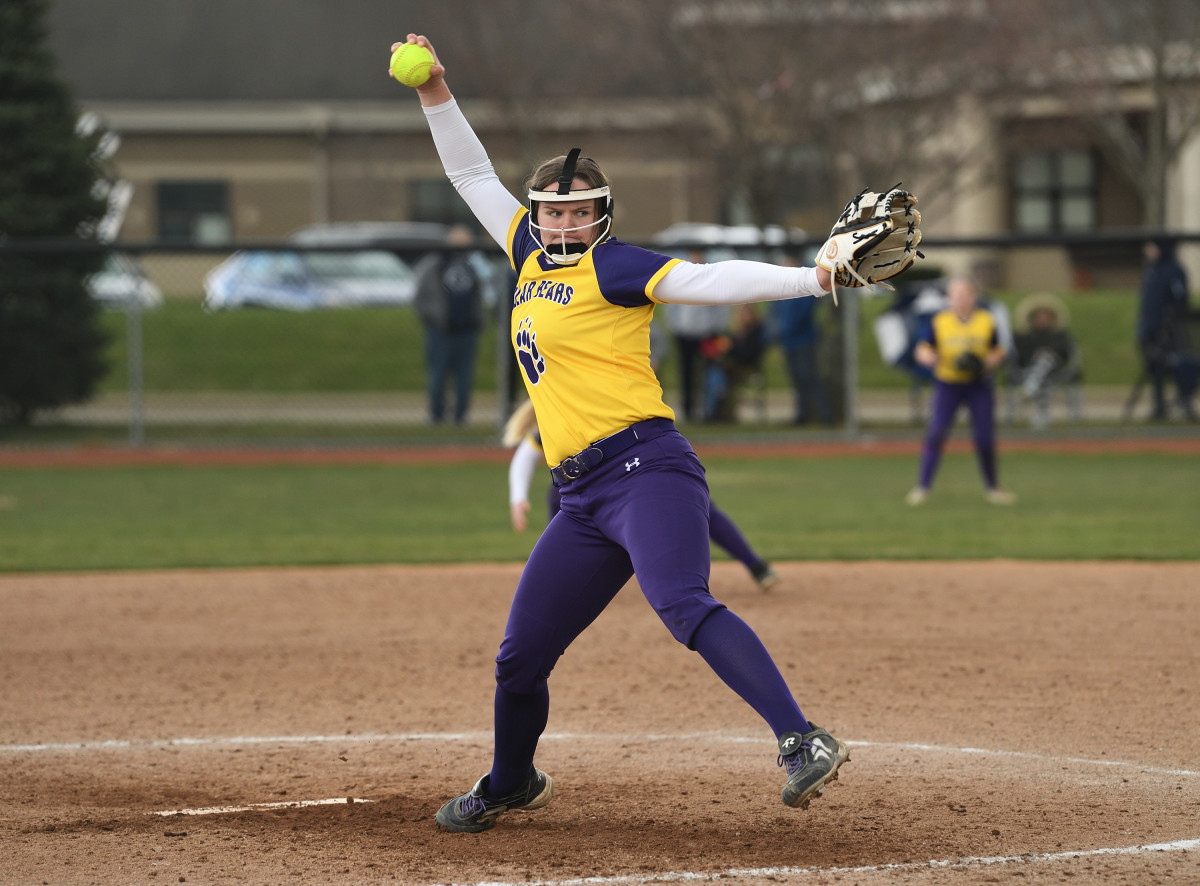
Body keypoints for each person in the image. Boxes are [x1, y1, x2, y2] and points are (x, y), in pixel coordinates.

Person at [394, 34, 848, 834]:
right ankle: (511, 782)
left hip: (647, 471)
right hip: (579, 498)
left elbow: (709, 281)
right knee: (519, 658)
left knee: (681, 603)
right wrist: (435, 92)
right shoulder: (525, 250)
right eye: (553, 211)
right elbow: (470, 176)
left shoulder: (615, 266)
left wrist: (811, 278)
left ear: (602, 215)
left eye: (579, 211)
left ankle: (801, 738)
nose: (564, 221)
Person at [503, 400, 779, 589]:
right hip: (605, 476)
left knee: (696, 505)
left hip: (637, 465)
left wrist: (518, 497)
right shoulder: (571, 409)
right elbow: (527, 454)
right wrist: (518, 497)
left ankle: (755, 565)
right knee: (561, 499)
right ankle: (565, 576)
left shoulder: (611, 396)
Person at [906, 277, 1016, 506]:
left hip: (978, 384)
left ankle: (993, 487)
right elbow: (923, 350)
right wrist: (928, 357)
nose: (961, 299)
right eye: (956, 295)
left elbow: (997, 350)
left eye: (965, 294)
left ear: (974, 297)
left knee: (984, 438)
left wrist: (987, 362)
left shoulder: (986, 320)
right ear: (949, 299)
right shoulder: (940, 321)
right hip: (948, 384)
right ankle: (923, 487)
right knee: (937, 433)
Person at [413, 223, 486, 424]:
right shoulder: (434, 265)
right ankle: (436, 416)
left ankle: (460, 417)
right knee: (437, 376)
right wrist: (433, 319)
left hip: (467, 331)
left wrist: (477, 320)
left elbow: (479, 295)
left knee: (464, 377)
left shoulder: (473, 266)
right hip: (440, 331)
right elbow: (420, 298)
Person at [665, 250, 731, 422]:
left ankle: (708, 410)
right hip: (684, 334)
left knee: (708, 373)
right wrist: (676, 326)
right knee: (686, 373)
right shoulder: (680, 277)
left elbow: (721, 306)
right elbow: (671, 305)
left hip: (706, 334)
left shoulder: (711, 277)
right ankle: (688, 410)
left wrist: (715, 328)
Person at [1137, 239, 1196, 421]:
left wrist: (1170, 322)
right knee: (1155, 367)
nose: (1148, 251)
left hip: (1169, 331)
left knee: (1180, 364)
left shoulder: (1174, 270)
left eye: (1152, 247)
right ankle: (1159, 407)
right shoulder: (1151, 270)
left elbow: (1181, 300)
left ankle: (1185, 403)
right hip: (1149, 329)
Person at [772, 255, 833, 425]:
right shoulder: (782, 285)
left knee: (809, 377)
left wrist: (786, 328)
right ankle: (803, 414)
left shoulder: (804, 283)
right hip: (789, 340)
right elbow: (775, 312)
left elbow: (802, 313)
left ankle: (825, 414)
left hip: (803, 340)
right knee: (797, 379)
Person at [1009, 292, 1082, 429]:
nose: (1043, 319)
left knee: (1045, 359)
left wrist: (1048, 353)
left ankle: (1030, 388)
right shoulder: (1024, 337)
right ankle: (1042, 413)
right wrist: (1035, 355)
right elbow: (1019, 356)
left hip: (1055, 371)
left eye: (1046, 316)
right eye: (1039, 316)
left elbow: (1066, 354)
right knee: (1041, 372)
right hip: (1029, 370)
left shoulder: (1060, 335)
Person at [701, 303, 769, 422]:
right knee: (713, 372)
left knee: (716, 374)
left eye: (747, 313)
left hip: (745, 367)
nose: (744, 316)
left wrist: (731, 347)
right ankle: (715, 410)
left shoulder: (756, 332)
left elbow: (749, 354)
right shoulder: (735, 332)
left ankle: (715, 411)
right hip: (730, 367)